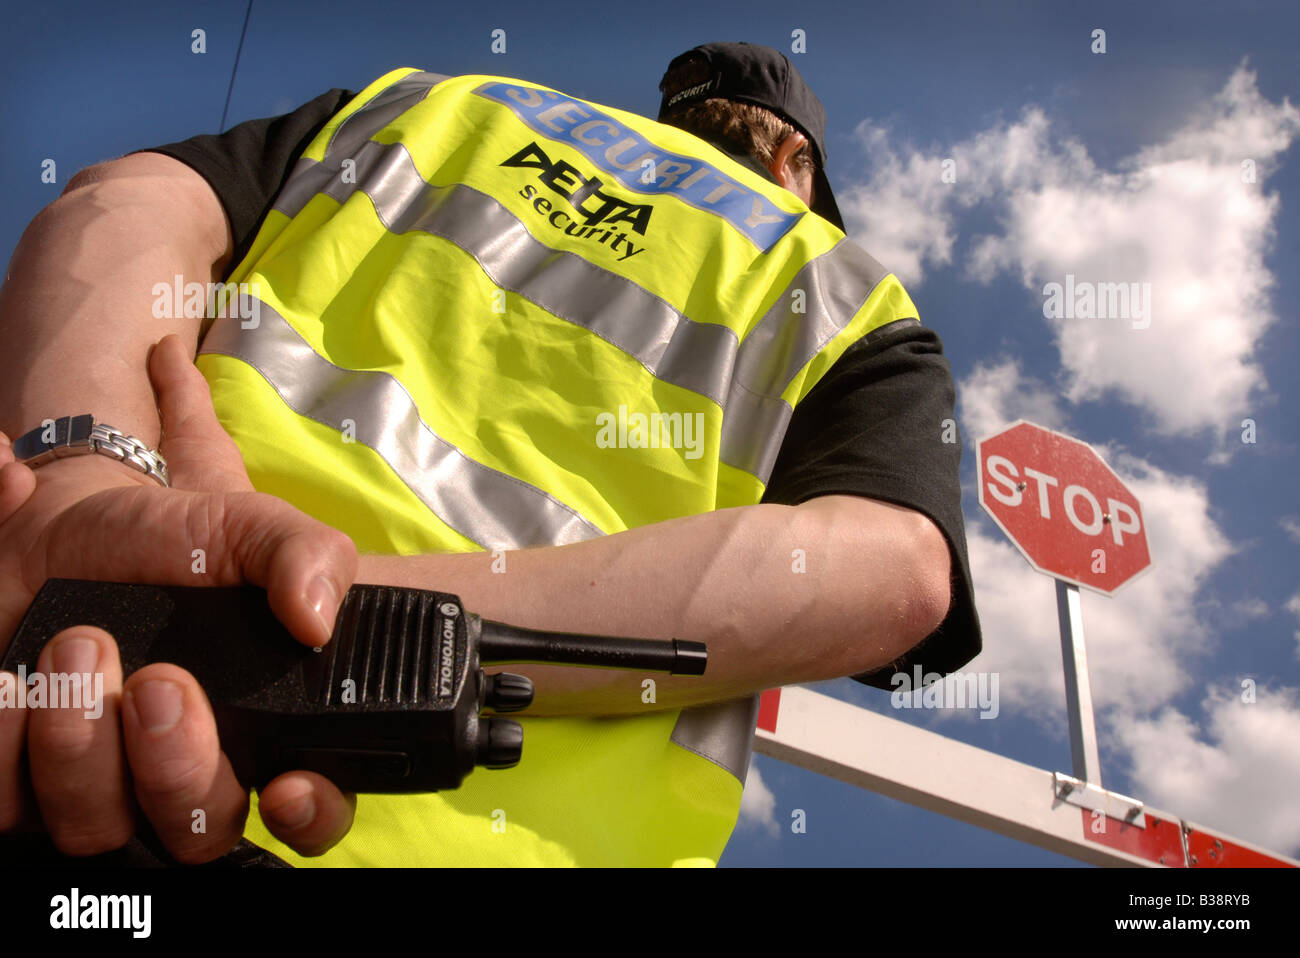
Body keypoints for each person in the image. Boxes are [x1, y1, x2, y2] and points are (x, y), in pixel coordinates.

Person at [0, 42, 980, 866]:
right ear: (794, 164)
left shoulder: (438, 109)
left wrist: (83, 473)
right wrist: (336, 633)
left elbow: (127, 201)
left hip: (76, 684)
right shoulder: (840, 286)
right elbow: (893, 571)